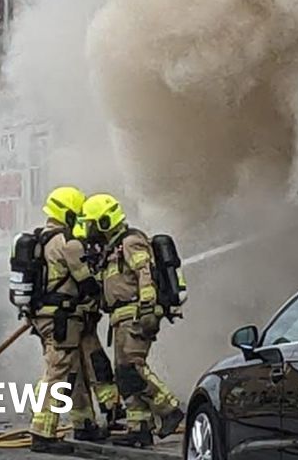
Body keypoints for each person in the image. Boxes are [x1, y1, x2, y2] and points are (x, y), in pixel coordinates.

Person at [81, 193, 184, 448]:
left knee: (131, 368)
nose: (89, 229)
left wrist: (148, 307)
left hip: (135, 314)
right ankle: (139, 428)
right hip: (121, 317)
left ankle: (170, 408)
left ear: (105, 221)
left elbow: (144, 272)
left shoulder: (131, 242)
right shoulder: (112, 248)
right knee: (124, 374)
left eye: (92, 223)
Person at [27, 186, 101, 454]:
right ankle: (42, 432)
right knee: (57, 372)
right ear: (69, 213)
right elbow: (85, 281)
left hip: (47, 316)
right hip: (61, 318)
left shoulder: (40, 240)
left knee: (75, 368)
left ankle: (84, 423)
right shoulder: (66, 243)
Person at [67, 221, 125, 442]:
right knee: (76, 374)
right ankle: (85, 422)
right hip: (73, 324)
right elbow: (86, 285)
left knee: (96, 366)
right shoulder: (72, 250)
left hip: (82, 324)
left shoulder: (76, 248)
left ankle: (109, 411)